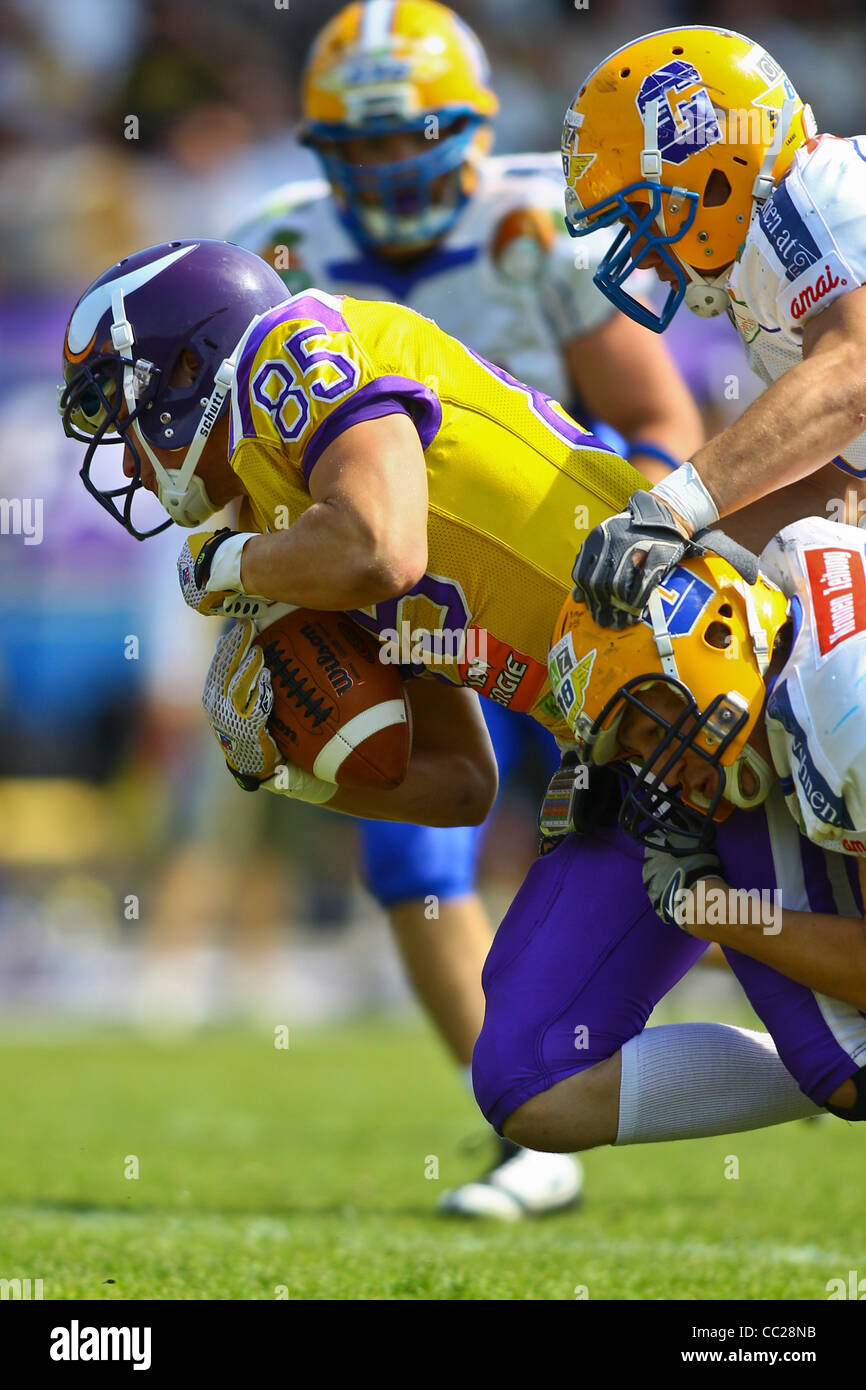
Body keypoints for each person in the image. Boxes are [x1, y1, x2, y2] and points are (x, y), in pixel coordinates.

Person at [59, 236, 710, 1211]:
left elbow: (379, 545)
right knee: (523, 1078)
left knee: (832, 1011)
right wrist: (286, 770)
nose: (123, 454)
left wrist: (227, 563)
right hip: (635, 745)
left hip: (701, 659)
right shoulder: (288, 511)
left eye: (122, 410)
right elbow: (461, 785)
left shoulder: (288, 353)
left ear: (187, 367)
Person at [226, 0, 703, 1216]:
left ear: (472, 128)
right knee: (408, 827)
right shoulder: (275, 245)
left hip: (572, 576)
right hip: (402, 599)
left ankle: (770, 1027)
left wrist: (631, 549)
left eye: (408, 139)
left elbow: (655, 424)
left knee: (680, 816)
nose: (385, 167)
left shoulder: (534, 221)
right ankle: (525, 1128)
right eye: (360, 145)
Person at [472, 518, 866, 1156]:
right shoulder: (776, 615)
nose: (654, 770)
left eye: (650, 731)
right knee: (532, 1072)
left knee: (857, 1064)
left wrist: (719, 912)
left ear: (714, 643)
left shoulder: (850, 724)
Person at [559, 26, 866, 628]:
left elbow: (852, 382)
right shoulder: (766, 271)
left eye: (640, 210)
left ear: (715, 173)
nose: (641, 252)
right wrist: (687, 554)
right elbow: (843, 489)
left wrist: (672, 508)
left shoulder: (822, 192)